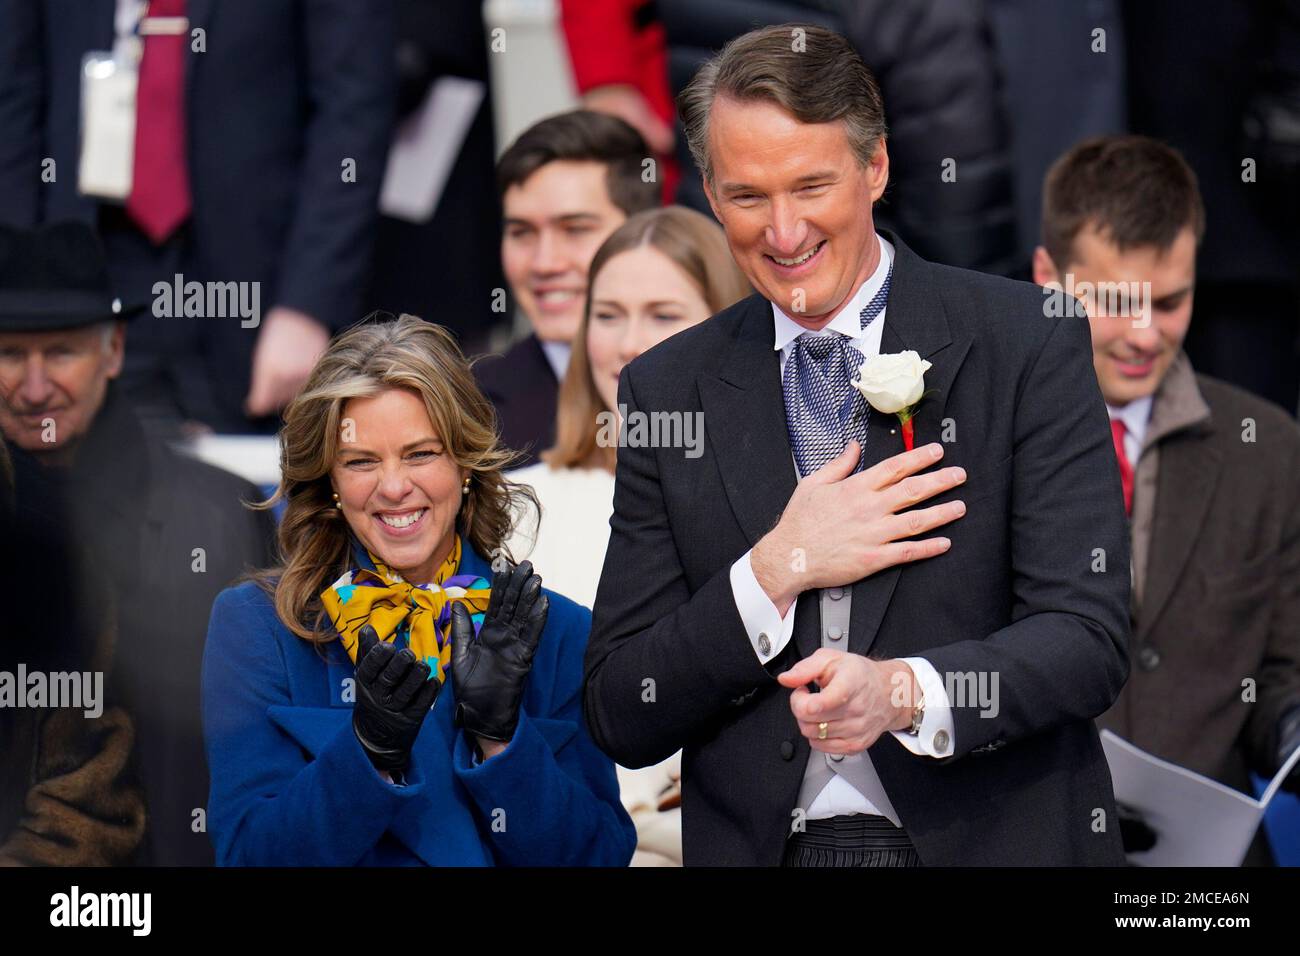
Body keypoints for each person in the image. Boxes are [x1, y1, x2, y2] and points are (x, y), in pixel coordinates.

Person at [584, 25, 1130, 866]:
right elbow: (622, 706)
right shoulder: (667, 387)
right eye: (747, 196)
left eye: (811, 185)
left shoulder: (1027, 338)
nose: (785, 229)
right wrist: (775, 570)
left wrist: (905, 692)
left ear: (876, 168)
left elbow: (1088, 638)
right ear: (707, 193)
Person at [202, 313, 635, 866]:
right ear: (330, 482)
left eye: (420, 454)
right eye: (360, 462)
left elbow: (601, 858)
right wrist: (368, 753)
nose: (394, 488)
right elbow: (248, 858)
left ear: (466, 463)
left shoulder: (560, 630)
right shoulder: (256, 626)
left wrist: (504, 742)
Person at [1032, 135, 1300, 865]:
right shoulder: (982, 437)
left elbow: (1279, 675)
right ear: (1048, 278)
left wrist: (1292, 731)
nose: (1145, 336)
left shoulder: (1269, 447)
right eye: (1117, 302)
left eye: (1173, 300)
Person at [0, 220, 274, 865]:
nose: (35, 387)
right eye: (11, 354)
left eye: (61, 352)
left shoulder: (226, 514)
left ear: (114, 350)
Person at [0, 0, 397, 433]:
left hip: (258, 285)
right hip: (89, 261)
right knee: (81, 488)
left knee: (246, 489)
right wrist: (18, 296)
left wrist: (308, 306)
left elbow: (352, 109)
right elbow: (13, 99)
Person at [508, 205, 749, 865]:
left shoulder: (782, 497)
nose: (629, 344)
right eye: (607, 315)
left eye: (663, 315)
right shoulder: (516, 508)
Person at [476, 111, 659, 469]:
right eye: (521, 232)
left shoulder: (729, 375)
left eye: (575, 229)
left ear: (645, 231)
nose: (545, 263)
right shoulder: (466, 411)